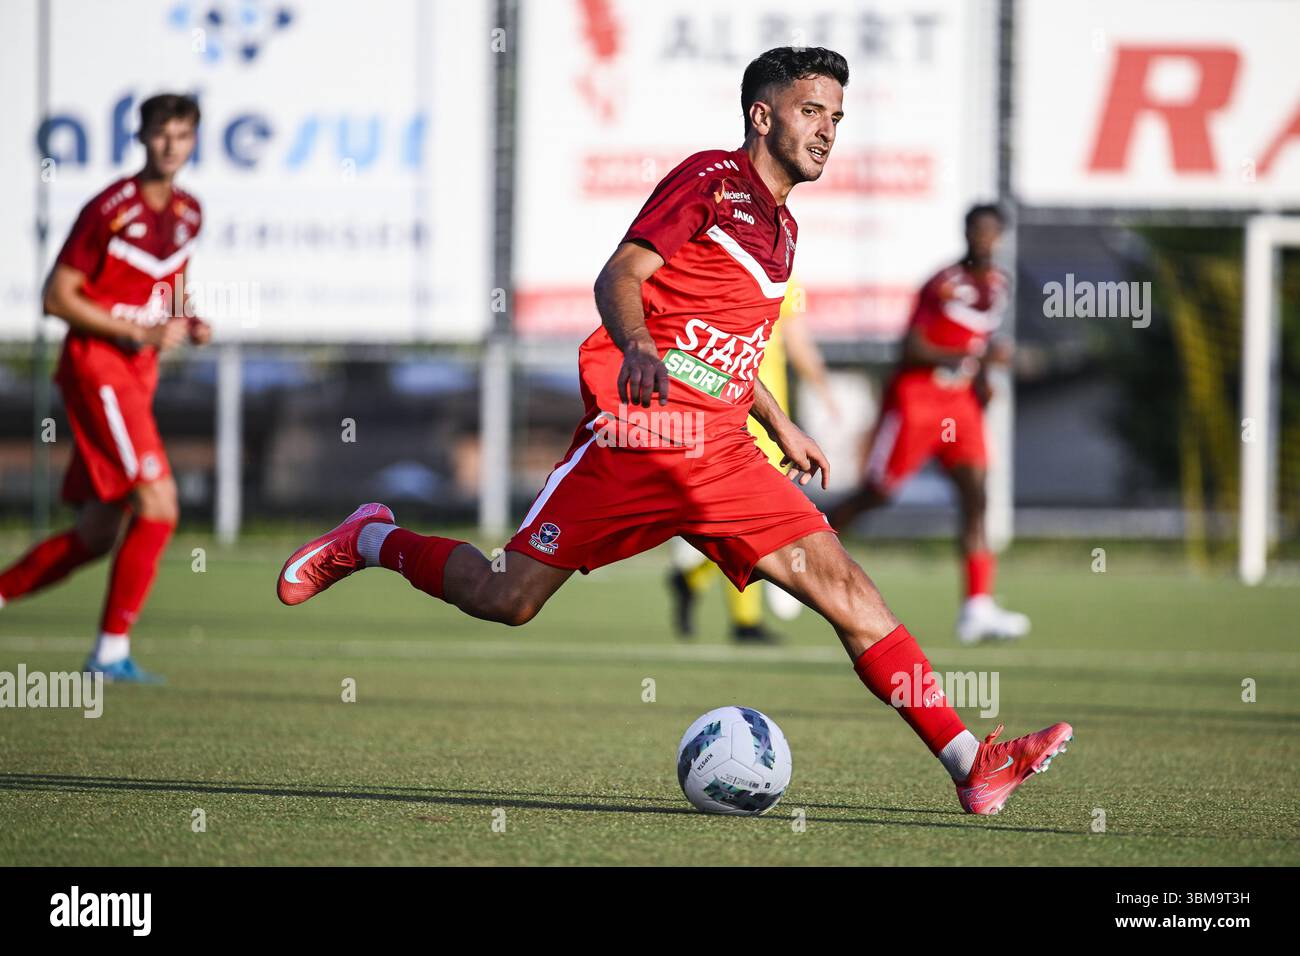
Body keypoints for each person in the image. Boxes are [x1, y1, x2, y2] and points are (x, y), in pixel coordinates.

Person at [276, 49, 1071, 814]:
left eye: (837, 115)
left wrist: (778, 420)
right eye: (811, 111)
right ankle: (372, 539)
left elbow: (726, 343)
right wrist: (639, 347)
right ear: (762, 117)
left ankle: (973, 765)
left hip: (722, 454)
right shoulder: (709, 180)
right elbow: (619, 276)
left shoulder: (785, 230)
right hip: (638, 441)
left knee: (848, 590)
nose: (828, 129)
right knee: (505, 597)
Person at [0, 94, 210, 683]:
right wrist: (136, 329)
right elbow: (56, 297)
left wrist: (187, 321)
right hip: (99, 369)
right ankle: (110, 653)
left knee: (95, 535)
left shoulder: (189, 212)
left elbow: (171, 291)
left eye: (183, 135)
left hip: (135, 377)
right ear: (141, 138)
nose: (172, 145)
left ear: (194, 142)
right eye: (162, 134)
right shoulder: (109, 209)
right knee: (160, 505)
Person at [829, 205, 1029, 645]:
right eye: (977, 231)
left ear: (1001, 238)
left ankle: (977, 607)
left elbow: (979, 344)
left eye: (992, 233)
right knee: (878, 493)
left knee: (976, 494)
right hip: (918, 400)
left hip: (960, 405)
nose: (984, 240)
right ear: (966, 232)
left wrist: (980, 380)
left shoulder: (999, 286)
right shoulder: (943, 284)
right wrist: (972, 359)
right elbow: (913, 347)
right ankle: (803, 551)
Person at [667, 297, 836, 642]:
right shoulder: (771, 272)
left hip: (761, 412)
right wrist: (824, 391)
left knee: (742, 521)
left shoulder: (774, 273)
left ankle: (694, 581)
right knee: (747, 519)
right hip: (745, 413)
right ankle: (745, 619)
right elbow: (798, 341)